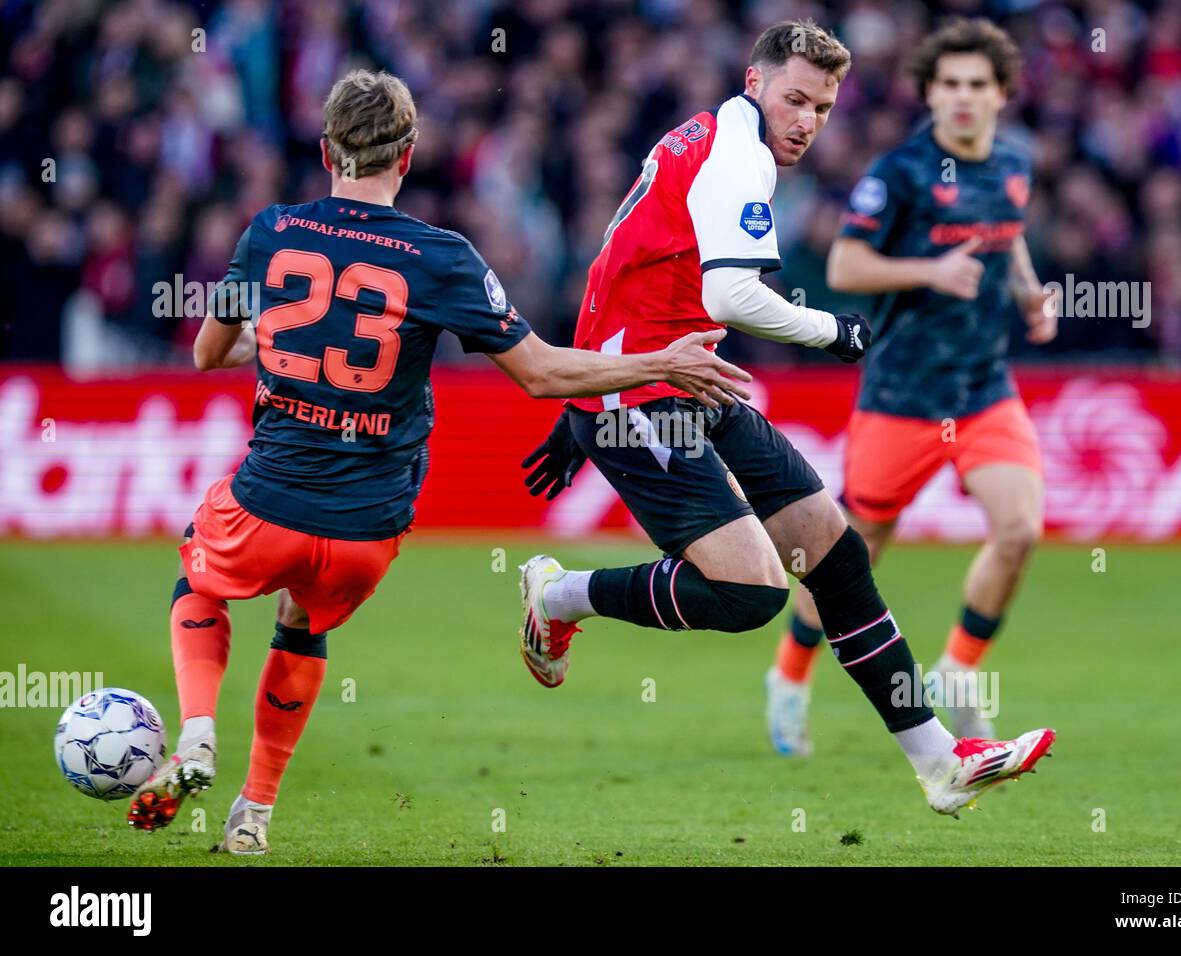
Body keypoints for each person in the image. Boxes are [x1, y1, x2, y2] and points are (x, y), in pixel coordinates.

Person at [127, 69, 752, 855]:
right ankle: (253, 812)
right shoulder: (441, 256)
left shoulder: (271, 230)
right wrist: (659, 362)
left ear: (326, 150)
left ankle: (196, 735)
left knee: (198, 580)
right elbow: (544, 375)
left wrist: (282, 342)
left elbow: (207, 352)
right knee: (301, 622)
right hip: (367, 534)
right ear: (410, 157)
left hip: (267, 504)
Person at [518, 20, 1054, 818]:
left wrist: (587, 371)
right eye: (795, 99)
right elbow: (732, 296)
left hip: (683, 376)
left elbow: (619, 247)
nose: (806, 120)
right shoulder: (739, 156)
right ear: (755, 81)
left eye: (824, 108)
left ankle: (940, 761)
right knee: (750, 594)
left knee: (835, 562)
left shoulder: (704, 137)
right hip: (642, 395)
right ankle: (559, 596)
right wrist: (832, 331)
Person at [764, 18, 1059, 757]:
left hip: (984, 388)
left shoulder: (1014, 167)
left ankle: (958, 671)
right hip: (901, 396)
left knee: (1020, 528)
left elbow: (1008, 231)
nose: (962, 98)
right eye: (949, 85)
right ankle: (790, 677)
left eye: (977, 86)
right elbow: (844, 269)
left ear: (1000, 95)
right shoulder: (897, 174)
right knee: (849, 559)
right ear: (929, 94)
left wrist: (1029, 294)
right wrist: (928, 271)